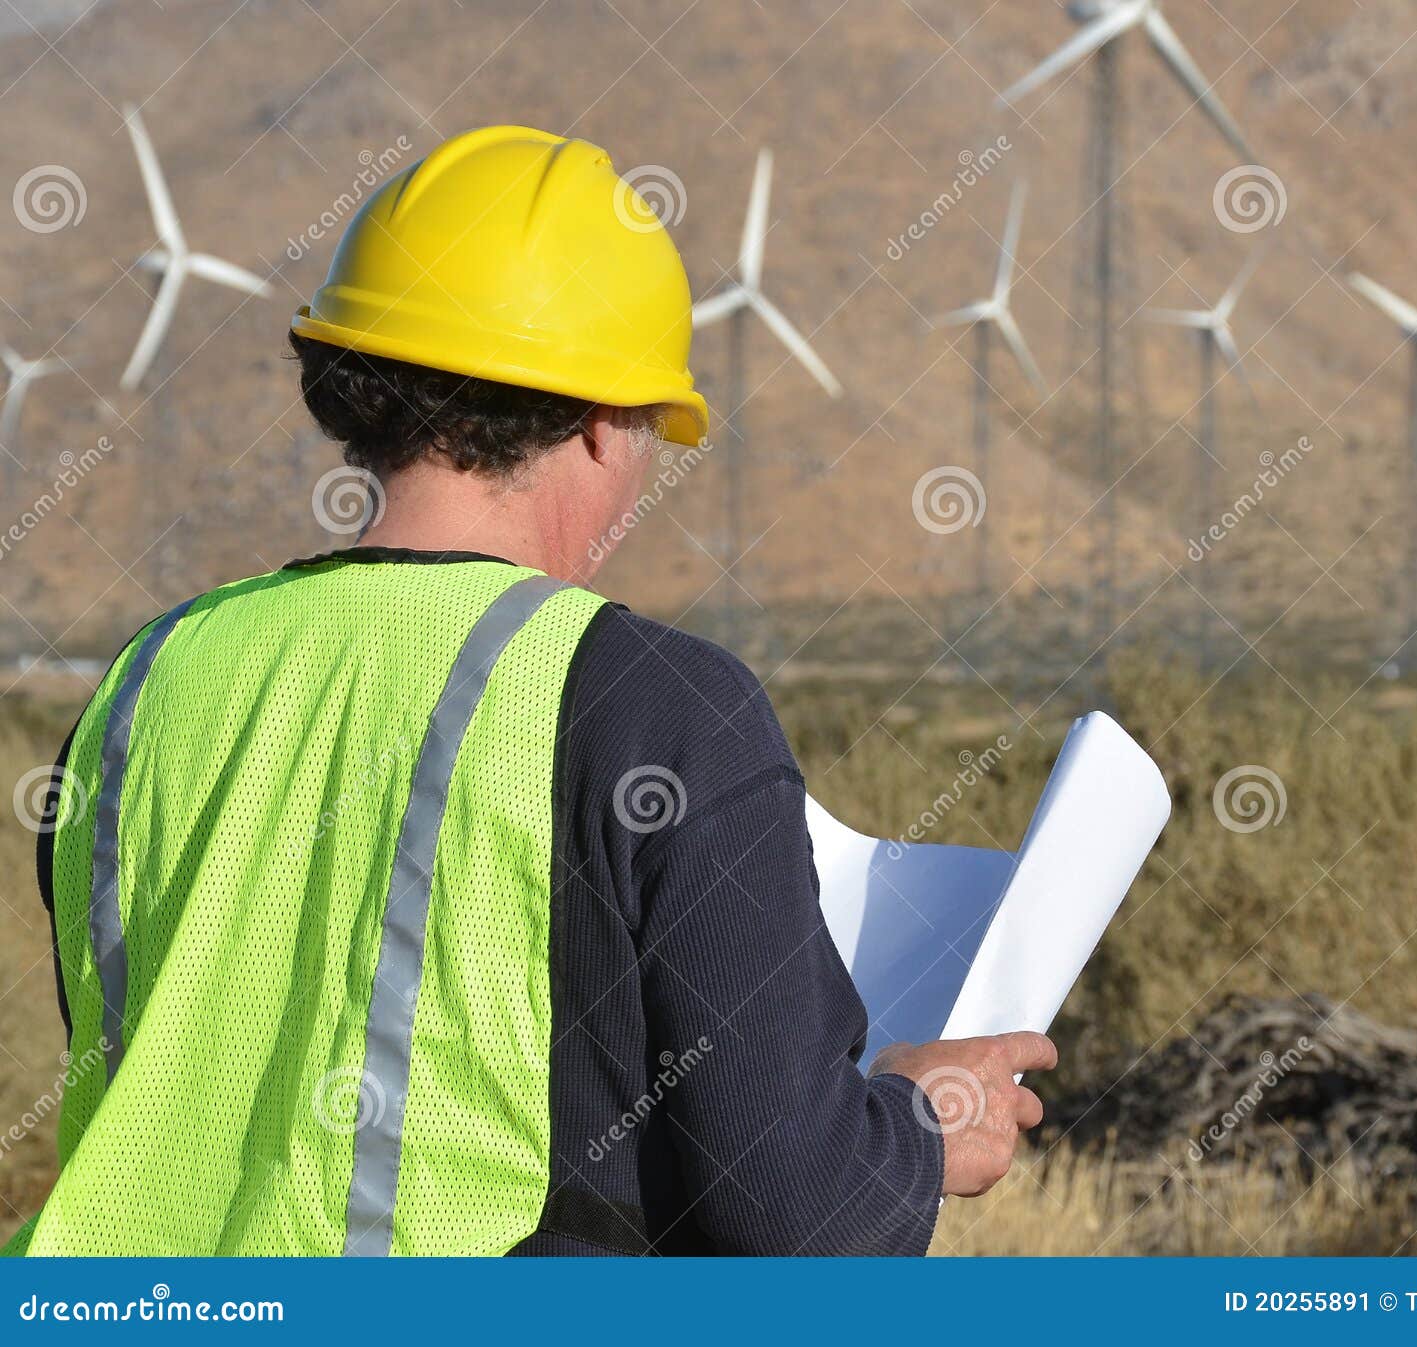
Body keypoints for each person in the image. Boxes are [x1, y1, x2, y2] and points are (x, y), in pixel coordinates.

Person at [7, 125, 1053, 1258]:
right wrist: (916, 1126)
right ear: (607, 422)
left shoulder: (144, 680)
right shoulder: (656, 705)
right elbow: (800, 1216)